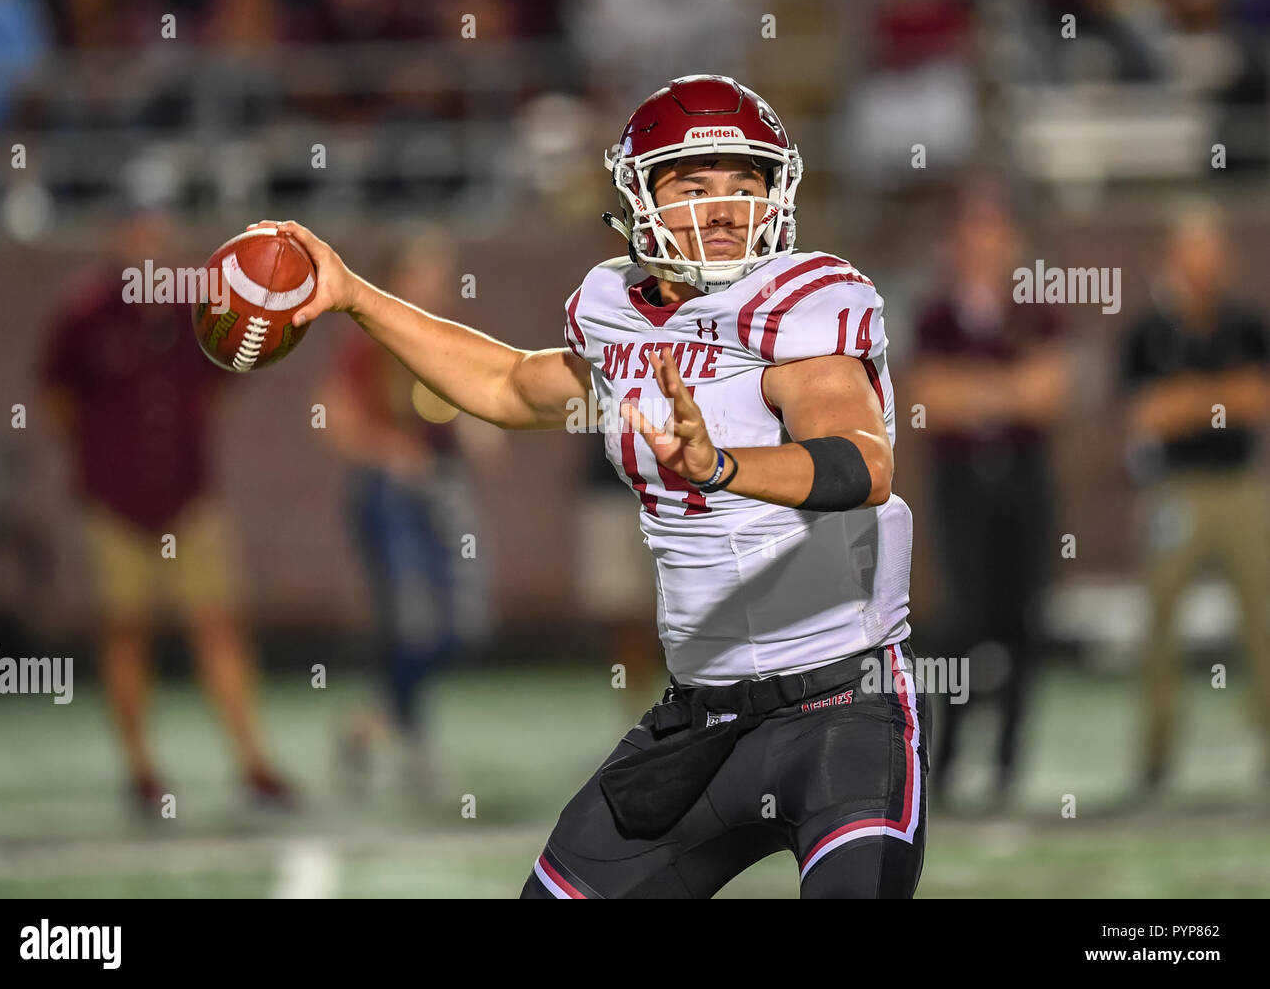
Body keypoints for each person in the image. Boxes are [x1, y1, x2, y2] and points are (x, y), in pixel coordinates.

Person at [250, 75, 927, 899]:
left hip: (840, 713)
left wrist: (722, 467)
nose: (726, 209)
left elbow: (863, 463)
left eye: (745, 184)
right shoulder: (615, 311)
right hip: (699, 720)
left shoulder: (803, 304)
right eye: (694, 185)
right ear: (640, 197)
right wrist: (355, 297)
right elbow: (506, 383)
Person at [40, 203, 296, 815]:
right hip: (116, 501)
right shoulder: (84, 312)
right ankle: (142, 771)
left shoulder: (196, 307)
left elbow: (222, 388)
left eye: (153, 227)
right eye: (134, 227)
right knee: (127, 630)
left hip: (189, 496)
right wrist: (108, 454)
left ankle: (253, 763)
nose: (145, 240)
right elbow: (55, 400)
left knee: (217, 624)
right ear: (115, 234)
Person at [908, 190, 1070, 809]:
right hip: (962, 483)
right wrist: (1006, 389)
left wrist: (972, 391)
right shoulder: (935, 316)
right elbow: (929, 398)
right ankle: (946, 759)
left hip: (1024, 477)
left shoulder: (1036, 310)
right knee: (963, 621)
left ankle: (1006, 762)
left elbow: (1046, 395)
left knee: (1022, 618)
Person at [321, 230, 496, 798]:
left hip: (442, 493)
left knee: (463, 621)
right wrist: (390, 451)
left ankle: (373, 722)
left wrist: (479, 428)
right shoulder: (371, 344)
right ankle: (412, 740)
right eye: (424, 275)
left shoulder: (444, 340)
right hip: (390, 495)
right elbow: (330, 416)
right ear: (396, 280)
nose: (437, 287)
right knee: (412, 622)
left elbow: (471, 401)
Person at [1122, 204, 1270, 794]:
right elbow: (1150, 416)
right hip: (1174, 492)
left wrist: (1193, 399)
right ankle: (1156, 756)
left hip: (1239, 488)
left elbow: (1258, 398)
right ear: (1174, 260)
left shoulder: (1248, 323)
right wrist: (1221, 396)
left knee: (1262, 619)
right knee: (1160, 628)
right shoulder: (1150, 332)